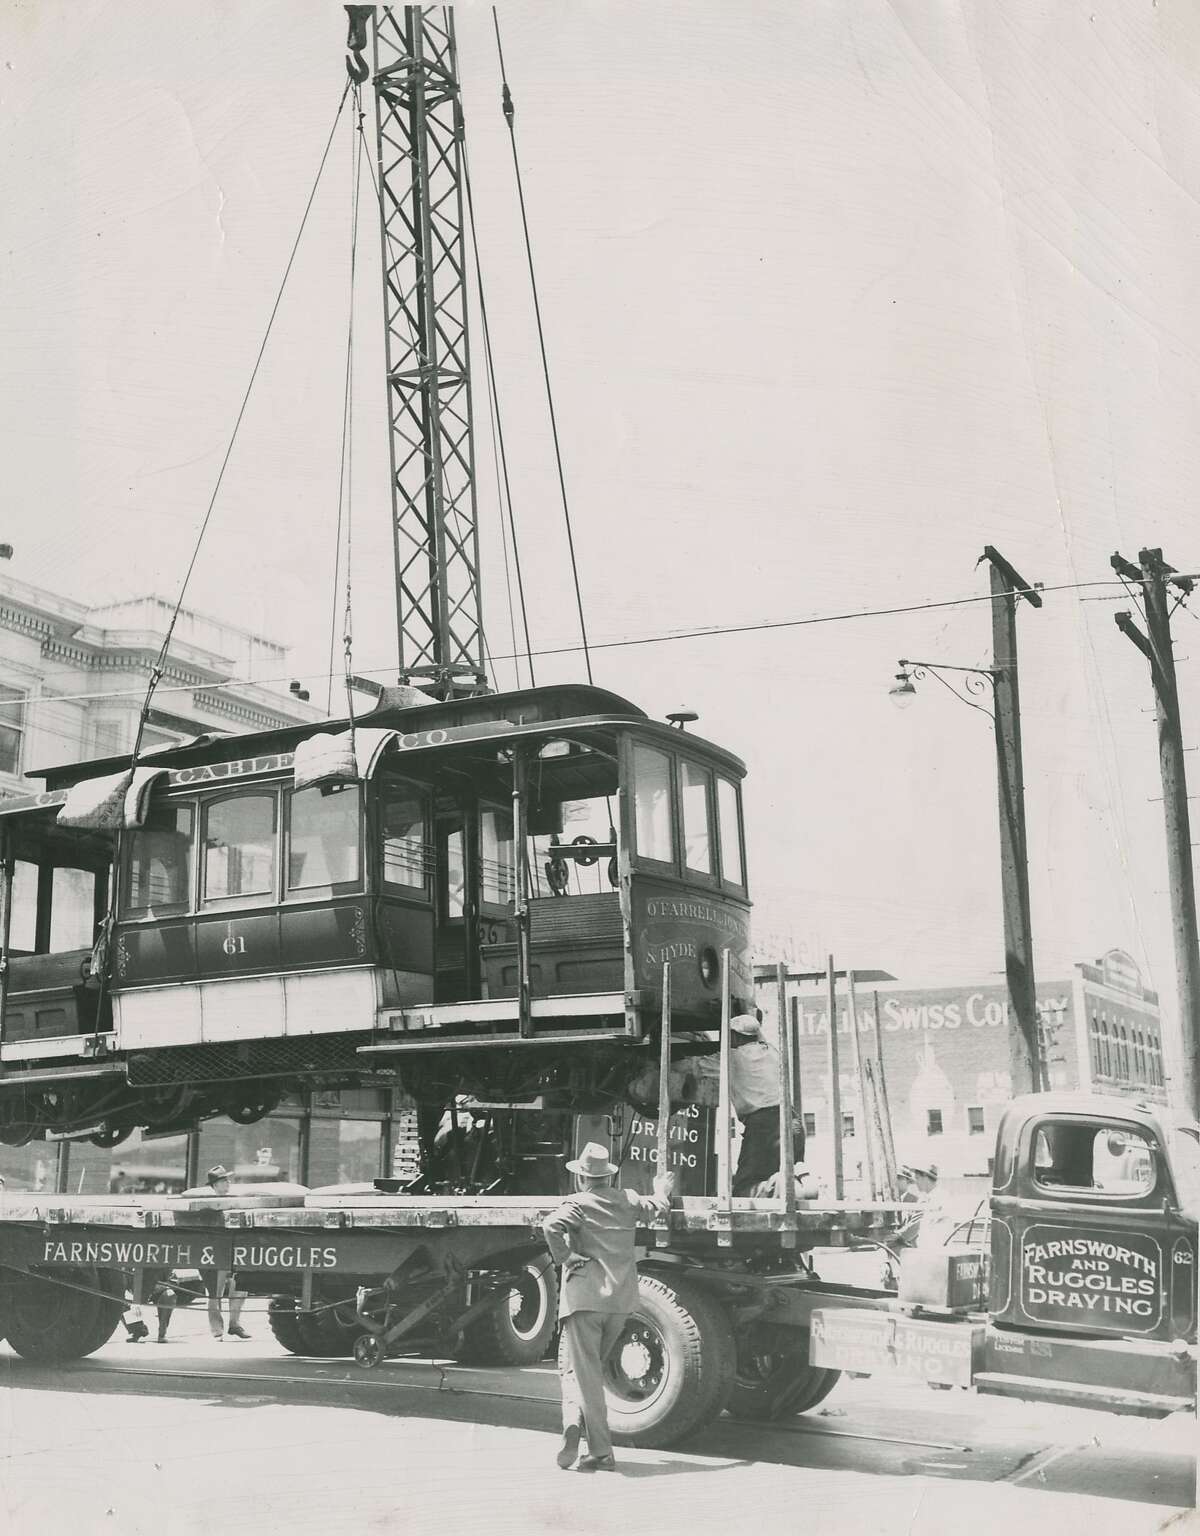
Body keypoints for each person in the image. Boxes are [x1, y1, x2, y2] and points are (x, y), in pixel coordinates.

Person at [543, 1143, 674, 1473]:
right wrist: (662, 1191)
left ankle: (600, 1451)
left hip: (584, 1301)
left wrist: (566, 1257)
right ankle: (575, 1424)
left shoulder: (578, 1204)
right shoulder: (627, 1199)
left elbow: (550, 1226)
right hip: (620, 1302)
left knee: (581, 1374)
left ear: (582, 1178)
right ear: (607, 1175)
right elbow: (656, 1206)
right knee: (585, 1372)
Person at [698, 1012, 805, 1195]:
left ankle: (774, 1186)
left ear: (735, 1036)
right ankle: (793, 1182)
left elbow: (697, 1066)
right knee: (785, 1181)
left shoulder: (732, 1058)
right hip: (793, 1123)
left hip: (765, 1127)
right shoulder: (772, 1051)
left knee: (744, 1189)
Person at [183, 1166, 251, 1341]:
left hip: (233, 1248)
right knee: (215, 1290)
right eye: (223, 1181)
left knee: (240, 1288)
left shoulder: (234, 1200)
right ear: (214, 1185)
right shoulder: (206, 1202)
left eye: (227, 1181)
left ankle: (234, 1324)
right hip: (213, 1250)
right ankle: (217, 1330)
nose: (227, 1184)